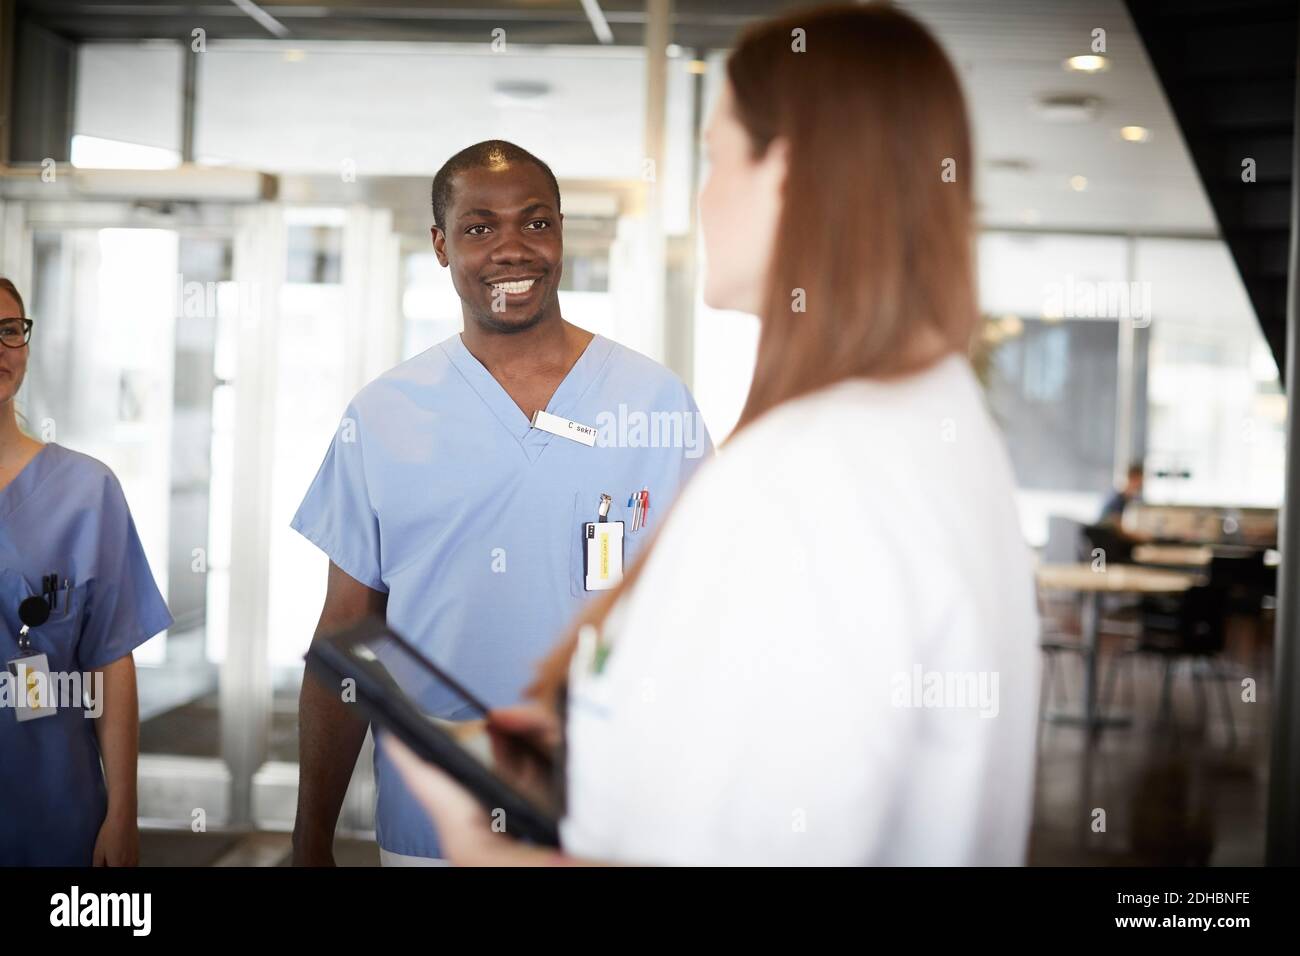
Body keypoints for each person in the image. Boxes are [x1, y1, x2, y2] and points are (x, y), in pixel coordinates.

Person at [388, 2, 1041, 866]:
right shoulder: (938, 422)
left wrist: (482, 844)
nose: (702, 195)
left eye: (715, 157)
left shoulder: (809, 477)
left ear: (791, 172)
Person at [291, 141, 713, 866]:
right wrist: (310, 839)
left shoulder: (653, 402)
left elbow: (708, 617)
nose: (512, 248)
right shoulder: (385, 415)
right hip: (434, 824)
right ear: (440, 244)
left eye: (536, 222)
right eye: (480, 227)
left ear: (561, 236)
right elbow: (347, 636)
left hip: (614, 823)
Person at [0, 277, 173, 866]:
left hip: (57, 807)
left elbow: (109, 660)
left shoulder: (85, 491)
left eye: (9, 330)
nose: (0, 347)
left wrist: (122, 812)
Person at [1099, 462, 1144, 529]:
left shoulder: (1133, 499)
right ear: (1132, 478)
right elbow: (1116, 526)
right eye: (1139, 480)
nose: (1141, 484)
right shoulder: (1117, 499)